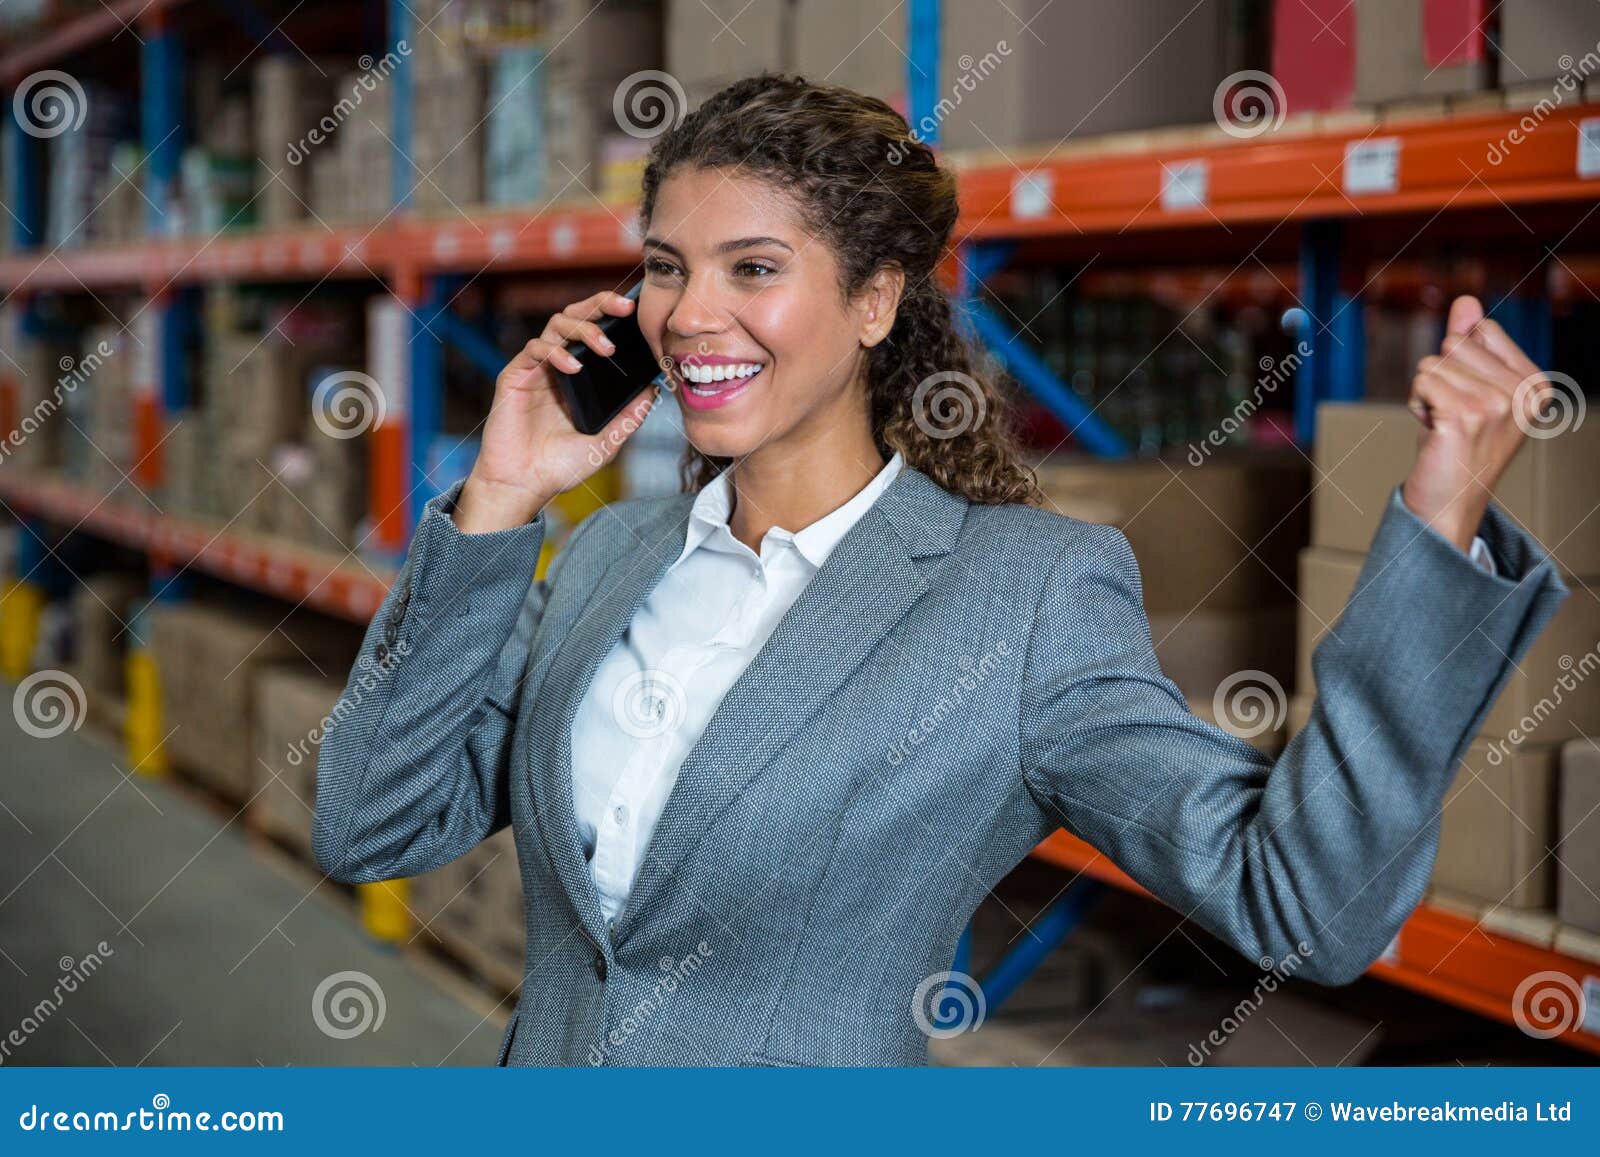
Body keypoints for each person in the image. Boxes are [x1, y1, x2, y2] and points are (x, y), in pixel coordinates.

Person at [312, 75, 1568, 1066]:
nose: (688, 313)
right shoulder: (608, 555)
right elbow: (370, 820)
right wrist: (496, 502)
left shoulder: (1020, 600)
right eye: (664, 265)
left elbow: (1306, 904)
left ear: (874, 301)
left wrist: (1437, 522)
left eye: (754, 267)